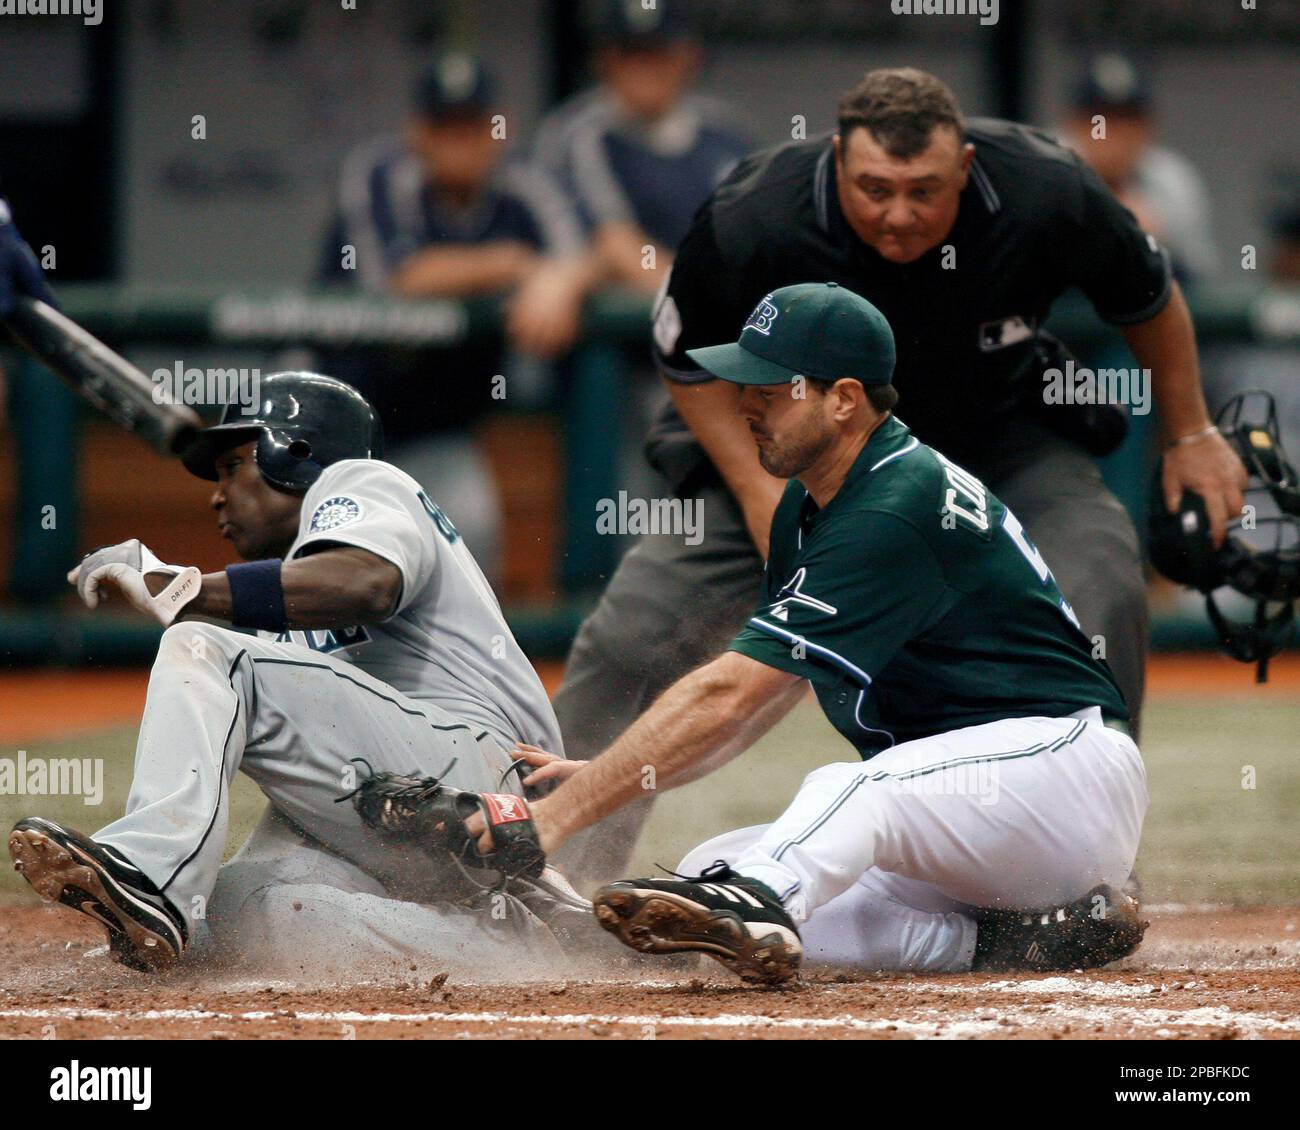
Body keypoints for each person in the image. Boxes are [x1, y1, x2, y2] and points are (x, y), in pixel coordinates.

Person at [550, 66, 1246, 882]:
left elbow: (1151, 302)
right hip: (803, 455)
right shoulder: (755, 211)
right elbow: (685, 360)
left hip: (996, 443)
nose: (899, 214)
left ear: (967, 167)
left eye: (924, 190)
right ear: (837, 161)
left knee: (1103, 579)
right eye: (875, 188)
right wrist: (754, 487)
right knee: (635, 626)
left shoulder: (1046, 187)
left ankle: (1090, 883)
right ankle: (547, 869)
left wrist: (1194, 431)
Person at [499, 284, 1149, 983]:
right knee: (705, 867)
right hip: (964, 811)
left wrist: (561, 813)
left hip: (1057, 778)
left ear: (843, 399)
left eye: (773, 388)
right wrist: (612, 772)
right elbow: (771, 693)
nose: (746, 404)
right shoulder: (815, 503)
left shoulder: (894, 505)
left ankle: (762, 901)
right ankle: (1009, 944)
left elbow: (731, 693)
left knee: (847, 794)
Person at [6, 357, 586, 977]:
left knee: (201, 647)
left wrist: (180, 589)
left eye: (234, 465)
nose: (216, 494)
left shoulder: (365, 484)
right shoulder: (283, 602)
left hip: (478, 775)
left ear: (297, 451)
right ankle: (516, 949)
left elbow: (367, 584)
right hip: (401, 811)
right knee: (230, 923)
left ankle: (150, 868)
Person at [319, 52, 598, 580]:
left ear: (499, 130)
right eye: (443, 126)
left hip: (433, 425)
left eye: (471, 126)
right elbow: (402, 280)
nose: (458, 142)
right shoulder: (380, 173)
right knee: (324, 566)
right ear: (416, 131)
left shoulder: (524, 187)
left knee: (470, 542)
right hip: (333, 415)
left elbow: (584, 254)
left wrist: (558, 279)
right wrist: (517, 263)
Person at [533, 0, 751, 295]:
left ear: (689, 56)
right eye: (630, 53)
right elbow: (613, 243)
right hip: (615, 325)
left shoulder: (726, 132)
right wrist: (699, 296)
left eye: (658, 52)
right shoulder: (580, 134)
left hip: (711, 313)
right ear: (603, 59)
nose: (644, 68)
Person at [1060, 53, 1221, 285]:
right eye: (1101, 118)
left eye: (1128, 118)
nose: (1114, 134)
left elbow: (1197, 280)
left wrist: (1157, 246)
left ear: (1148, 126)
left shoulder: (1172, 180)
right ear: (1073, 123)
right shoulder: (1044, 170)